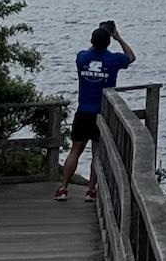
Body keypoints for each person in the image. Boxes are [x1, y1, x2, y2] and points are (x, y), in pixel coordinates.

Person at [54, 21, 136, 201]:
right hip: (102, 114)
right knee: (97, 153)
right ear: (108, 42)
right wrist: (118, 38)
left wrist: (99, 37)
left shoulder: (82, 57)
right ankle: (91, 190)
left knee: (75, 150)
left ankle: (63, 188)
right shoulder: (114, 60)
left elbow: (91, 50)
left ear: (91, 40)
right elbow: (131, 57)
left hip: (83, 111)